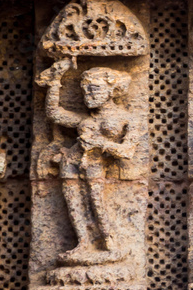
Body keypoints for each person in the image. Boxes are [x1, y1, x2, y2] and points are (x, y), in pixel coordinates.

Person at [37, 59, 138, 265]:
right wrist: (55, 82)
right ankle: (83, 242)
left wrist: (100, 143)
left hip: (95, 164)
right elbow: (54, 113)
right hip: (71, 162)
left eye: (94, 89)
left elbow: (127, 151)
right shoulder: (85, 120)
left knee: (96, 201)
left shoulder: (126, 119)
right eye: (85, 91)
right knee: (73, 204)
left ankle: (109, 242)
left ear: (112, 90)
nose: (88, 95)